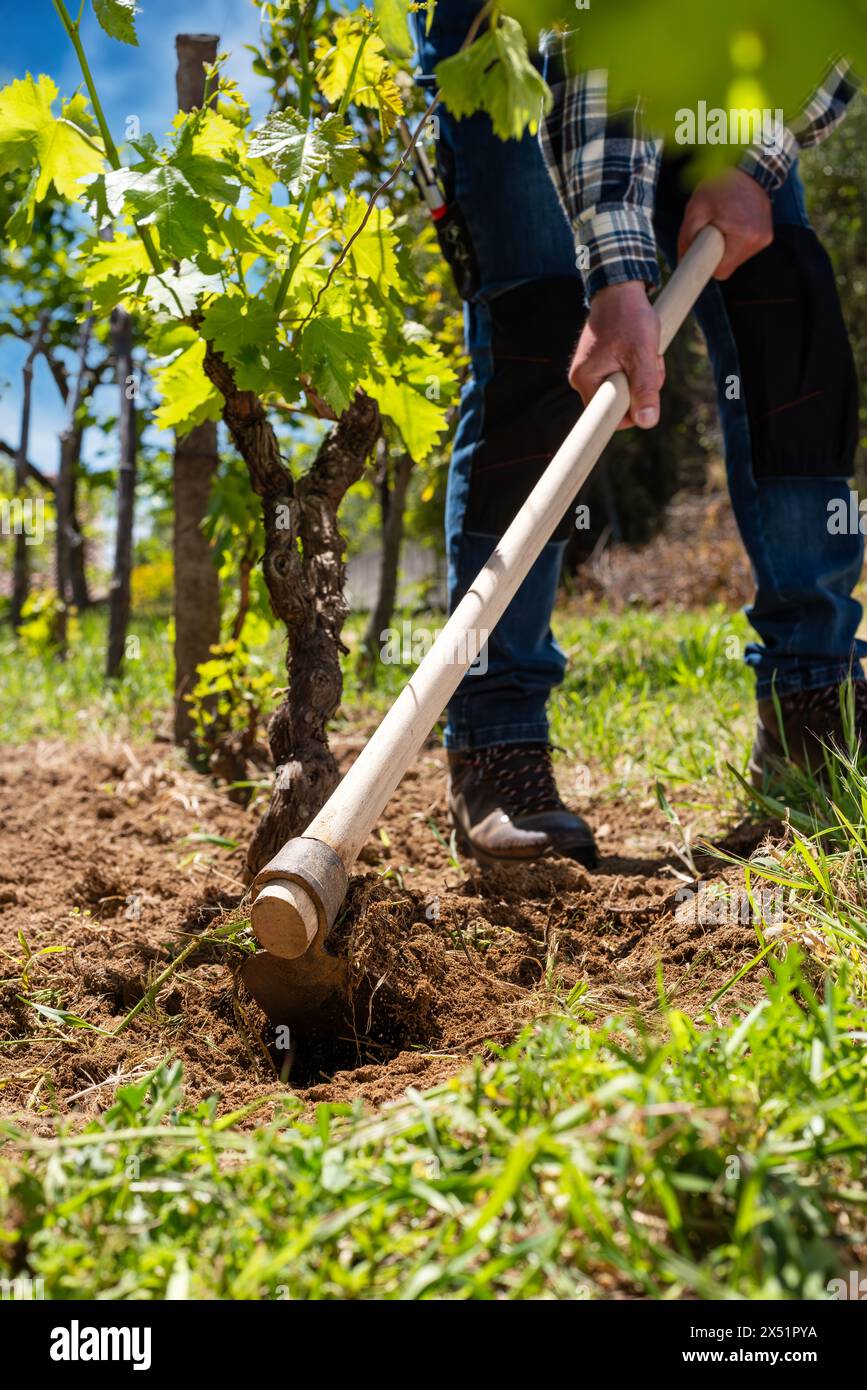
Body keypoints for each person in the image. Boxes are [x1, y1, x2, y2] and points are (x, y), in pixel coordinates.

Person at [411, 2, 862, 869]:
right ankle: (497, 734)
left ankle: (815, 697)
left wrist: (748, 155)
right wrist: (614, 273)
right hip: (515, 29)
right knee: (544, 335)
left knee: (784, 310)